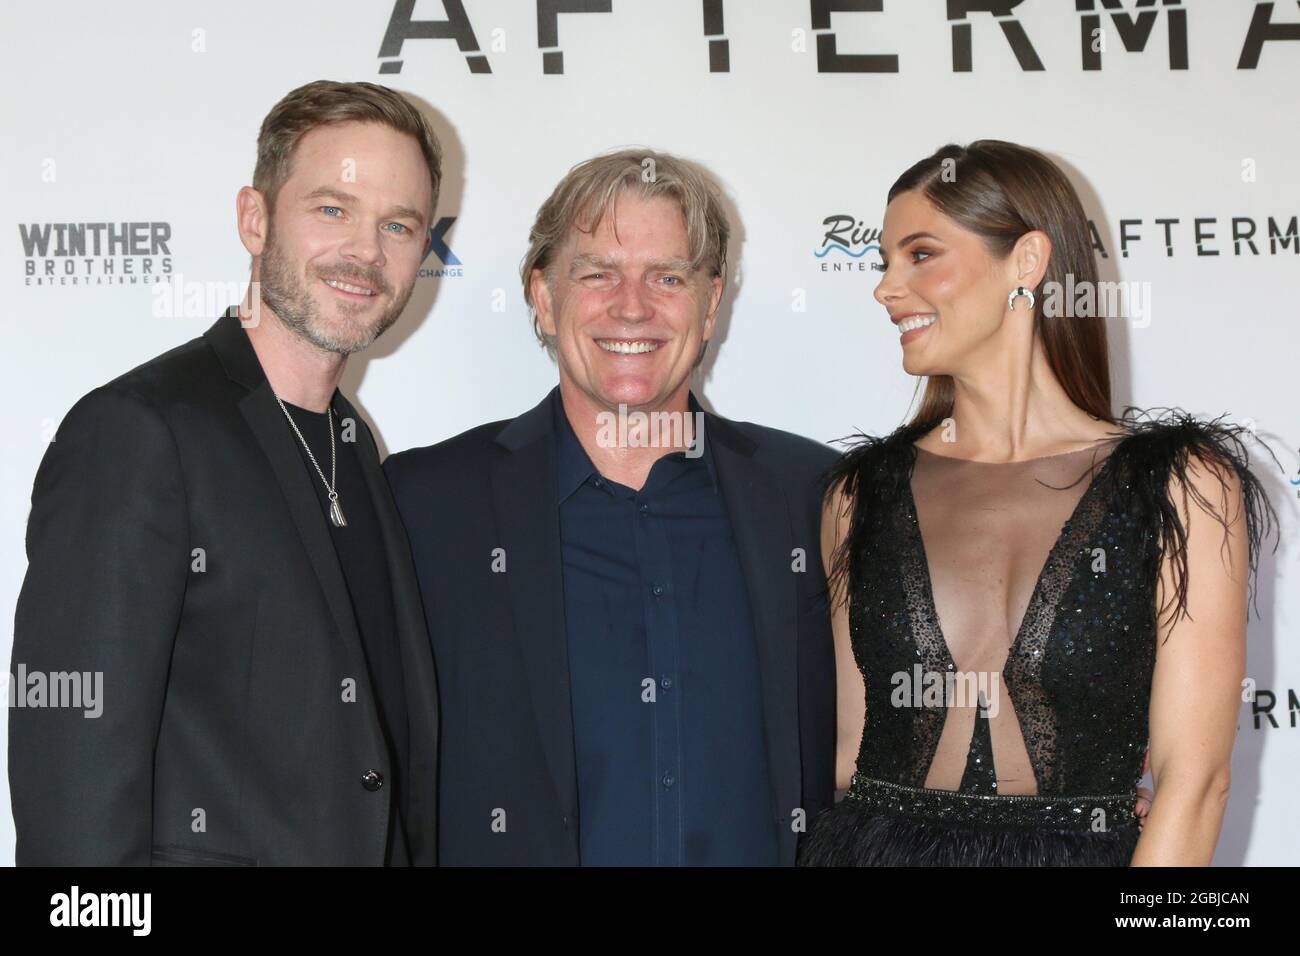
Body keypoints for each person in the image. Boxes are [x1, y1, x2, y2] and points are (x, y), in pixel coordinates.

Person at [799, 140, 1278, 867]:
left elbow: (1197, 781)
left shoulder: (1182, 486)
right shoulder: (859, 496)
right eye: (883, 262)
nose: (886, 288)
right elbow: (847, 756)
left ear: (1026, 262)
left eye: (921, 254)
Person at [9, 80, 443, 865]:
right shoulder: (140, 433)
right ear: (255, 217)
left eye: (399, 224)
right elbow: (71, 790)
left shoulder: (356, 447)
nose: (366, 252)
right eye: (332, 209)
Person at [385, 149, 837, 865]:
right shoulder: (427, 506)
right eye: (597, 273)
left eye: (668, 277)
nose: (633, 307)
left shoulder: (816, 496)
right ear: (542, 295)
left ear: (712, 301)